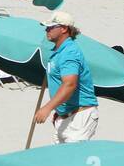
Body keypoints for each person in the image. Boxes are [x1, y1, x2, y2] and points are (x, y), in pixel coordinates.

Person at [35, 11, 99, 143]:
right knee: (57, 161)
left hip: (79, 118)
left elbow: (69, 84)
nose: (47, 30)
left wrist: (48, 108)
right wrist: (59, 111)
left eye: (51, 27)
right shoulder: (59, 51)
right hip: (65, 117)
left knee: (72, 161)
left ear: (64, 29)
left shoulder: (70, 52)